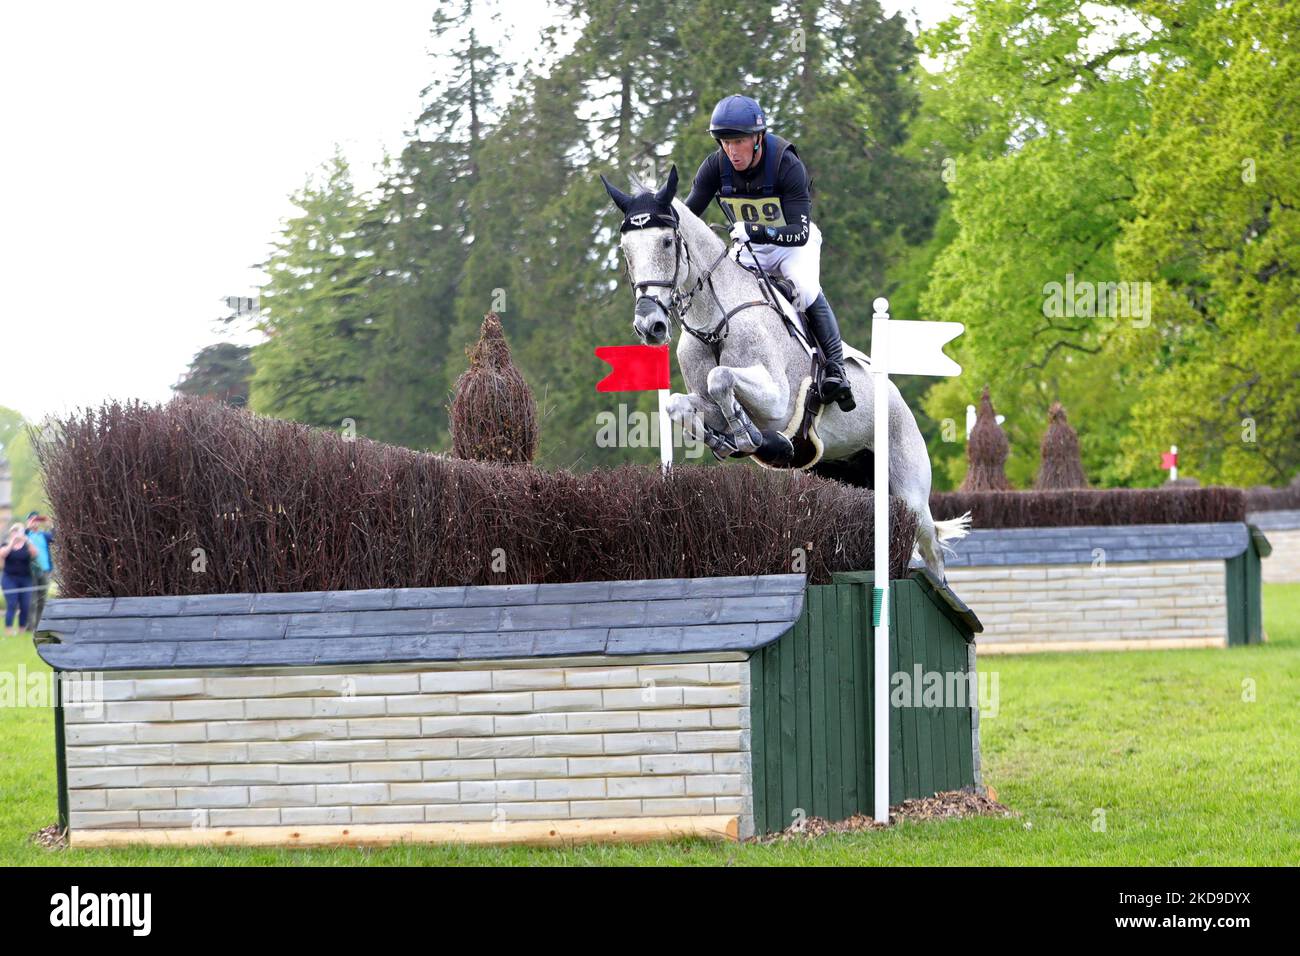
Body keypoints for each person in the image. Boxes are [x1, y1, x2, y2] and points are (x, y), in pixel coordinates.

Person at [683, 93, 855, 411]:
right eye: (725, 142)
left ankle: (836, 368)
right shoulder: (714, 167)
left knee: (804, 289)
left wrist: (758, 231)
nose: (732, 151)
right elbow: (688, 217)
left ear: (758, 138)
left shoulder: (785, 164)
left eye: (739, 141)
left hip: (792, 245)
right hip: (749, 249)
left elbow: (799, 231)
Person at [1, 523, 38, 636]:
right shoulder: (6, 544)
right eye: (14, 533)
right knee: (12, 603)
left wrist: (27, 540)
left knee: (25, 605)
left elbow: (35, 554)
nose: (17, 535)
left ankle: (22, 630)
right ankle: (9, 630)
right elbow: (2, 554)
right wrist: (12, 542)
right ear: (11, 534)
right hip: (9, 578)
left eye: (18, 533)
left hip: (25, 578)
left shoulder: (27, 545)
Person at [25, 511, 54, 630]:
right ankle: (29, 626)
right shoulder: (26, 535)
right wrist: (28, 527)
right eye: (32, 520)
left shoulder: (44, 535)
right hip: (30, 571)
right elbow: (20, 537)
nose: (34, 522)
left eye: (36, 520)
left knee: (42, 600)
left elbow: (55, 537)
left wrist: (50, 524)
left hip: (45, 570)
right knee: (31, 600)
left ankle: (39, 626)